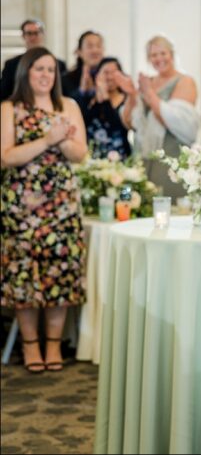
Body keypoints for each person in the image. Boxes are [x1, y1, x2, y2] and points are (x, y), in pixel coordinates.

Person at [1, 47, 88, 373]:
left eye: (50, 70)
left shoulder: (68, 106)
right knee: (24, 275)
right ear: (26, 72)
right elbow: (6, 156)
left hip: (61, 206)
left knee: (59, 274)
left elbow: (80, 154)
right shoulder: (9, 108)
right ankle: (30, 346)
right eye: (38, 69)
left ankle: (53, 345)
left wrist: (63, 141)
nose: (45, 75)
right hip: (22, 206)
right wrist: (48, 138)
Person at [123, 35, 200, 198]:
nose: (159, 59)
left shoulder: (185, 81)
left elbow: (174, 120)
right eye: (153, 55)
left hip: (170, 156)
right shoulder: (148, 81)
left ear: (171, 54)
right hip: (144, 155)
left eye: (162, 53)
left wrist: (149, 93)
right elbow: (130, 123)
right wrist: (131, 94)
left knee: (166, 204)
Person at [0, 19, 66, 102]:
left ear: (43, 35)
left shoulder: (59, 64)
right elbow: (4, 93)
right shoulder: (11, 64)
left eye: (36, 33)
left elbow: (63, 92)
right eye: (29, 33)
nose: (33, 37)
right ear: (23, 36)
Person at [83, 57, 131, 159]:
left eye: (113, 73)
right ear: (97, 76)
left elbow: (116, 126)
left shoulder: (127, 100)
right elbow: (84, 124)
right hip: (91, 159)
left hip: (119, 158)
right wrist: (98, 94)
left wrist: (105, 96)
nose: (109, 77)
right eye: (105, 72)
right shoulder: (89, 99)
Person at [61, 30, 105, 107]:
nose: (95, 50)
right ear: (79, 52)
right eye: (90, 46)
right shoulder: (66, 80)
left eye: (98, 46)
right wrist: (82, 91)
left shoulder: (110, 77)